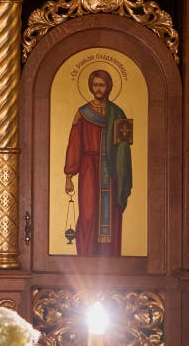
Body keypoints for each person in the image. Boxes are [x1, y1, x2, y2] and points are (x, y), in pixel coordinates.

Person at [64, 69, 132, 256]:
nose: (98, 89)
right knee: (88, 213)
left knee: (112, 213)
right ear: (90, 87)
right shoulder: (82, 114)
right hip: (89, 168)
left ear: (108, 87)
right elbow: (74, 145)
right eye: (95, 85)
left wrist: (122, 169)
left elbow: (124, 149)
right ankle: (86, 256)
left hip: (111, 170)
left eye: (102, 85)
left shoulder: (117, 113)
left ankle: (110, 257)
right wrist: (69, 176)